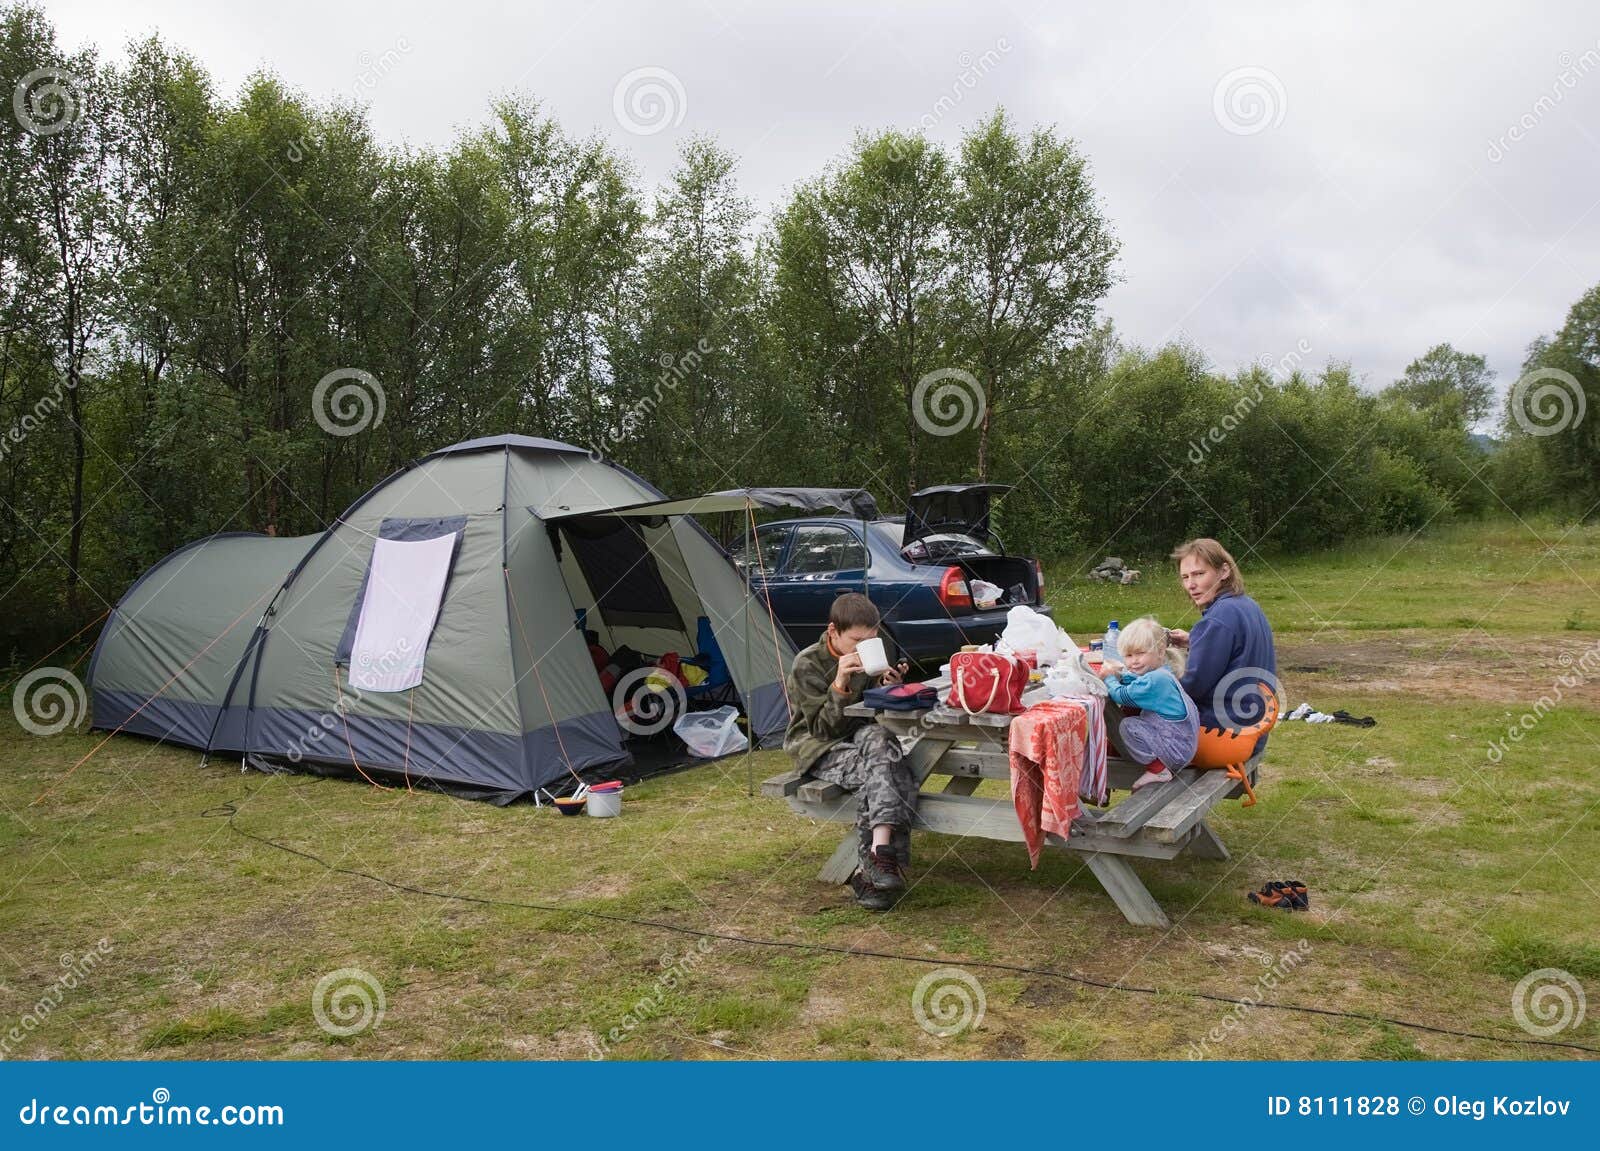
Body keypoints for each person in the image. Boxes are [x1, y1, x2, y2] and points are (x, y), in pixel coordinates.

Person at [784, 592, 918, 912]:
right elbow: (823, 730)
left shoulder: (869, 654)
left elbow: (868, 716)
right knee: (890, 771)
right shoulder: (808, 663)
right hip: (816, 745)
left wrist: (887, 686)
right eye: (856, 639)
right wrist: (841, 683)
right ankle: (871, 869)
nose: (863, 646)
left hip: (856, 735)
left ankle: (876, 858)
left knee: (884, 743)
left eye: (870, 639)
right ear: (833, 631)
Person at [1166, 538, 1277, 754]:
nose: (1191, 585)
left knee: (1134, 724)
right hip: (1253, 729)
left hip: (1225, 735)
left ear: (1224, 571)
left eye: (1199, 574)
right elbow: (1238, 647)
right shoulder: (1246, 605)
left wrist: (1152, 681)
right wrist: (1196, 640)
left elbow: (1192, 687)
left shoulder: (1217, 620)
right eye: (1185, 577)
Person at [1097, 617, 1199, 790]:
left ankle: (1158, 770)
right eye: (1128, 655)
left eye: (1140, 653)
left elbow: (1121, 696)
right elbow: (1138, 681)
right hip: (1183, 746)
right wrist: (1124, 676)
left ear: (1160, 652)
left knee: (1129, 725)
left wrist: (1109, 678)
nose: (1134, 661)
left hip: (1174, 752)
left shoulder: (1156, 680)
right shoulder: (1162, 673)